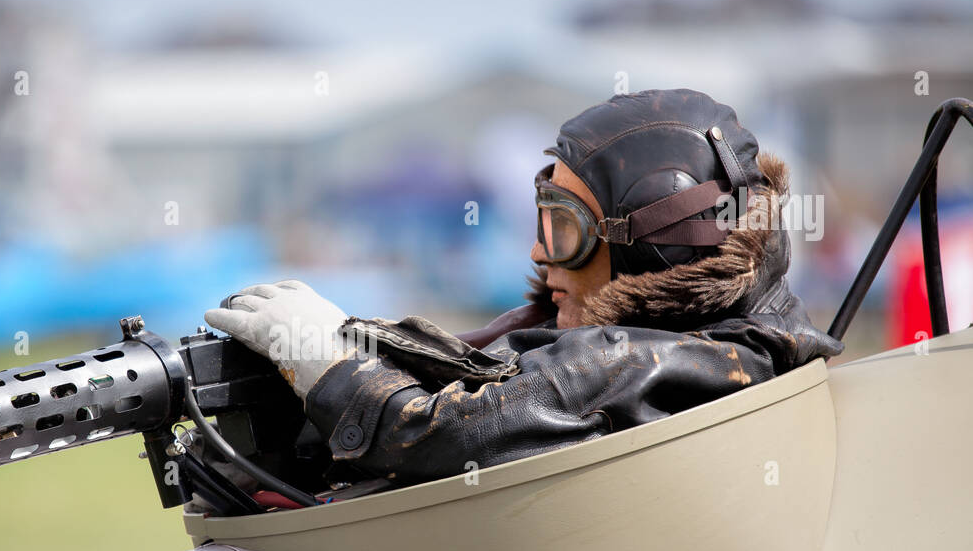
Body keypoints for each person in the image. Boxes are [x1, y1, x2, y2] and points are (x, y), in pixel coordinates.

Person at [205, 89, 844, 487]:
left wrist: (323, 357)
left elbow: (436, 435)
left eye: (566, 228)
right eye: (544, 221)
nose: (540, 253)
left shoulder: (640, 363)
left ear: (658, 247)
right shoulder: (747, 339)